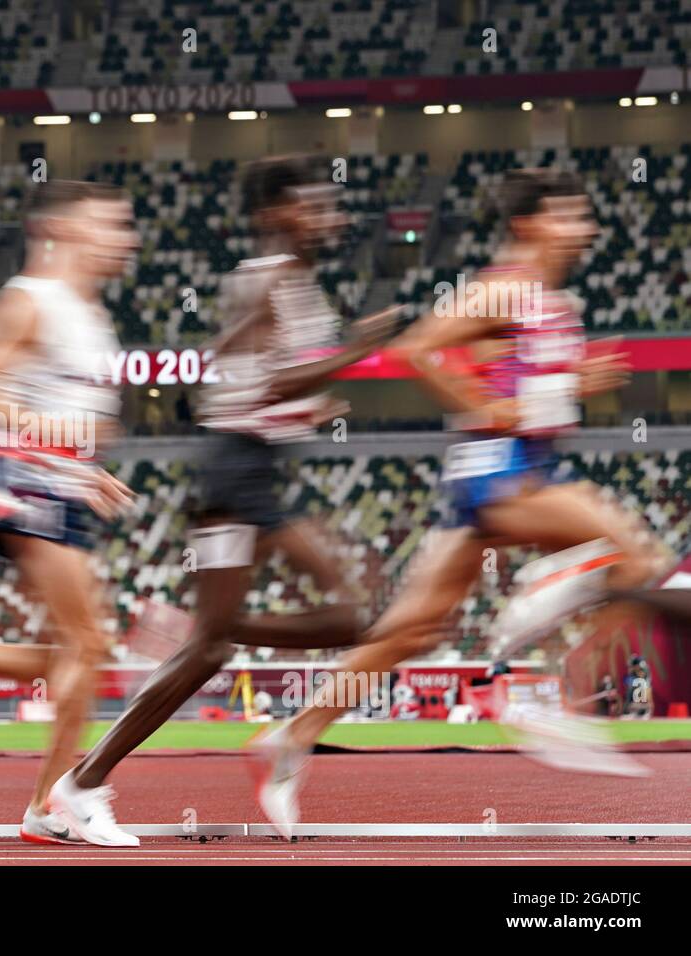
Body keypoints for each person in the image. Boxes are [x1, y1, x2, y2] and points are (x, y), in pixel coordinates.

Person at [250, 168, 667, 836]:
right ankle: (550, 683)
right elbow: (417, 350)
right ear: (530, 224)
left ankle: (290, 740)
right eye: (569, 216)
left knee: (411, 632)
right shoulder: (504, 288)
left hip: (518, 467)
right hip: (497, 472)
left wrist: (573, 381)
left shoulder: (550, 301)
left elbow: (529, 386)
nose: (584, 228)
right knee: (634, 555)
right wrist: (489, 409)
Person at [47, 156, 402, 846]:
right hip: (235, 473)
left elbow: (252, 380)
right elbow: (265, 386)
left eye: (330, 207)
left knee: (322, 622)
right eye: (310, 206)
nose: (326, 218)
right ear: (273, 213)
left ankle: (98, 766)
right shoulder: (264, 281)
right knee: (335, 619)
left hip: (254, 470)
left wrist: (302, 400)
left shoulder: (293, 287)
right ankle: (83, 783)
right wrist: (351, 354)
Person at [0, 178, 142, 844]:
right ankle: (58, 801)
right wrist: (48, 440)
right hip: (24, 488)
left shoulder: (93, 314)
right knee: (88, 644)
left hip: (58, 485)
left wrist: (86, 469)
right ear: (69, 230)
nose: (126, 237)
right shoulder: (30, 299)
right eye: (112, 223)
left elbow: (62, 413)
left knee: (72, 651)